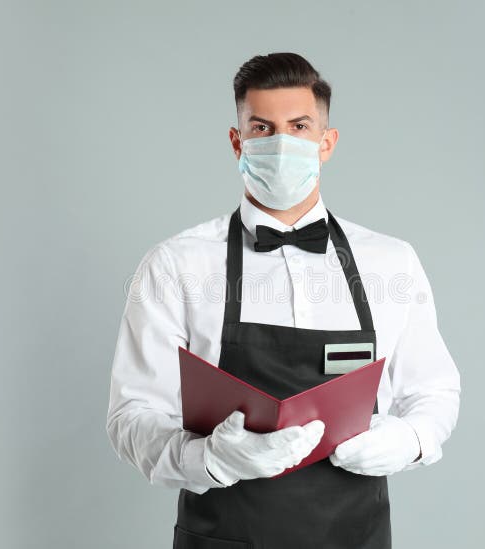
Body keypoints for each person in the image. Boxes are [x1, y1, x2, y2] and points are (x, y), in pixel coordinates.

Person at [106, 52, 461, 549]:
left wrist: (409, 440)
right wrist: (211, 459)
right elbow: (132, 414)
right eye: (262, 128)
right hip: (223, 539)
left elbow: (434, 392)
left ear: (326, 142)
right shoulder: (175, 265)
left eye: (299, 127)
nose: (280, 144)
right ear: (238, 142)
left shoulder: (391, 263)